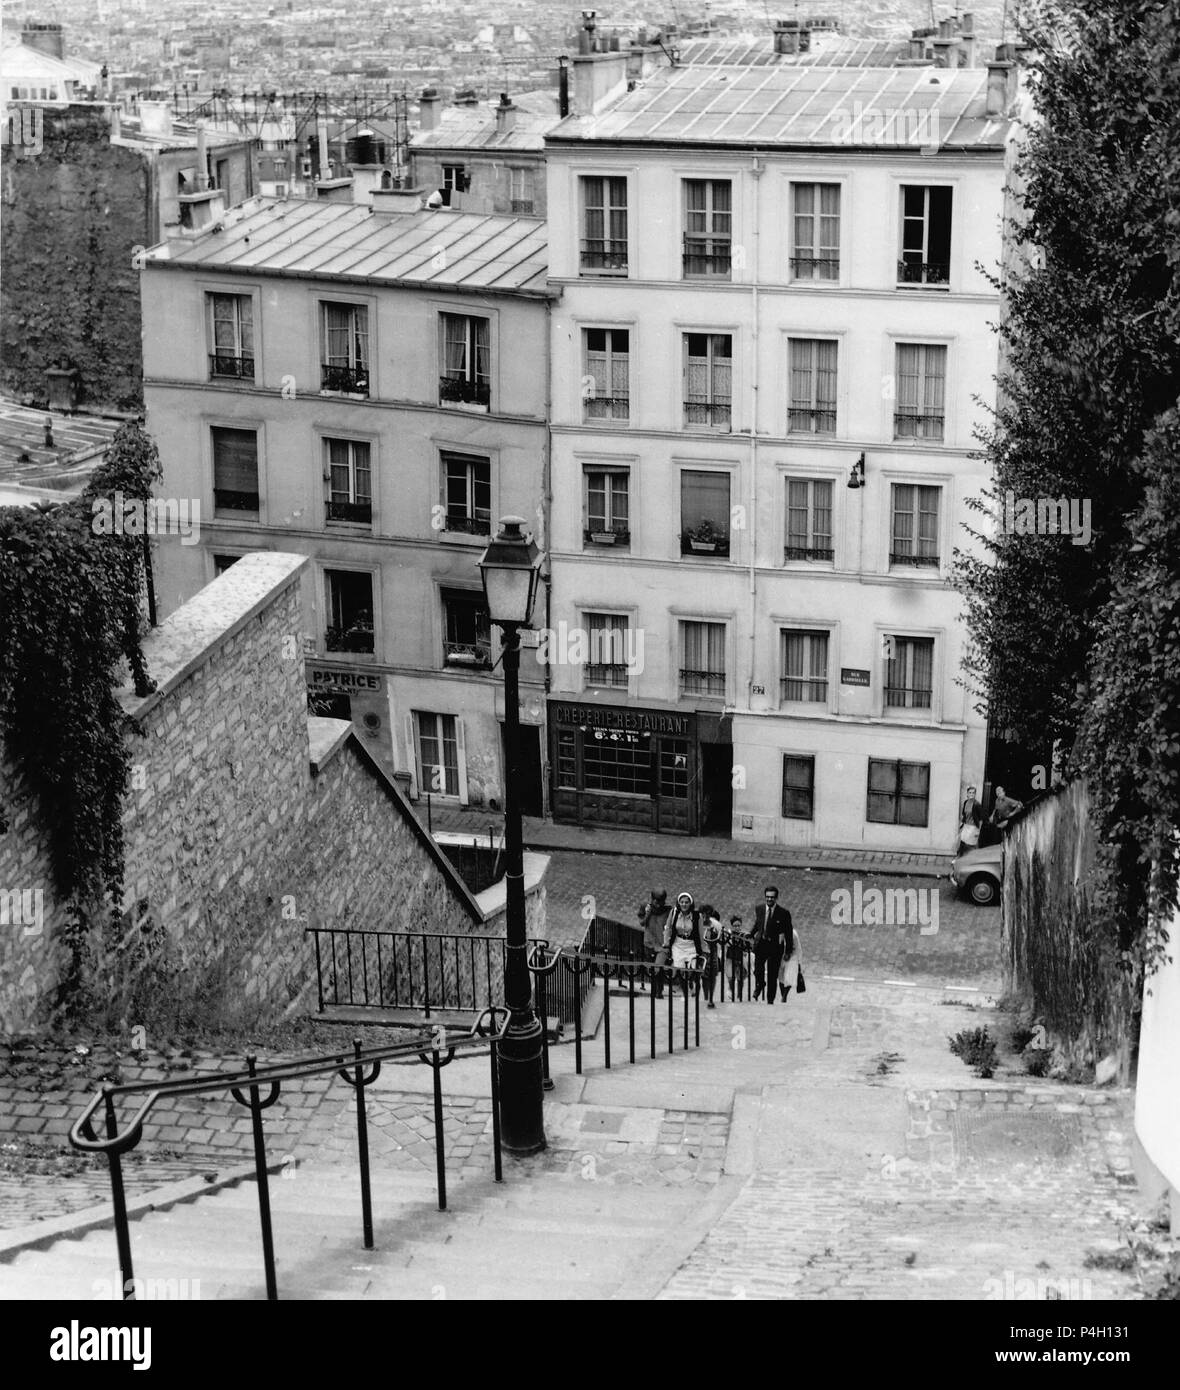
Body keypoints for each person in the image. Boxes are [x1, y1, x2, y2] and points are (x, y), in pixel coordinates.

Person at [751, 884, 793, 1003]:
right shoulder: (759, 909)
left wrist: (788, 951)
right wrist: (751, 933)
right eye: (767, 897)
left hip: (775, 947)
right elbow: (758, 924)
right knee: (758, 970)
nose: (769, 899)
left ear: (776, 898)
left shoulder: (783, 913)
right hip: (761, 945)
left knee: (772, 975)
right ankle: (760, 984)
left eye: (772, 897)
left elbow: (788, 933)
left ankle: (770, 1000)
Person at [663, 890, 704, 996]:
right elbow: (668, 928)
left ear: (690, 903)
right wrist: (666, 942)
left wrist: (703, 949)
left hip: (691, 944)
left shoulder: (697, 916)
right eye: (682, 902)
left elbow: (700, 933)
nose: (684, 904)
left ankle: (693, 983)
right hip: (678, 943)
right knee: (680, 968)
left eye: (686, 902)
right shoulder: (674, 913)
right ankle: (685, 992)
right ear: (678, 903)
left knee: (692, 967)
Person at [637, 888, 671, 998]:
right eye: (655, 901)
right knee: (652, 969)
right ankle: (656, 990)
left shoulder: (668, 910)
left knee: (658, 967)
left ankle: (658, 991)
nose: (657, 904)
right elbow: (642, 923)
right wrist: (648, 913)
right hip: (649, 943)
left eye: (660, 901)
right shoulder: (645, 907)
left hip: (662, 945)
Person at [699, 903, 723, 1008]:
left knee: (712, 974)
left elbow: (721, 938)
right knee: (704, 976)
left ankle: (711, 997)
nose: (705, 916)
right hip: (702, 951)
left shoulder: (715, 924)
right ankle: (705, 996)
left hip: (713, 952)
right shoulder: (698, 923)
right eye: (703, 914)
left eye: (708, 914)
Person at [777, 920, 804, 1004]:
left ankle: (784, 997)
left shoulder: (794, 935)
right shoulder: (779, 934)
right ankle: (783, 996)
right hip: (781, 956)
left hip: (793, 957)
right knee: (781, 977)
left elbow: (798, 948)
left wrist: (799, 962)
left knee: (789, 977)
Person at [725, 915, 750, 999]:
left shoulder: (744, 935)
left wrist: (745, 951)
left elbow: (747, 946)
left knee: (740, 978)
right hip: (730, 956)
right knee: (730, 976)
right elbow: (726, 944)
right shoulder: (729, 934)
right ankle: (730, 990)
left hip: (740, 958)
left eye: (738, 925)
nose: (737, 927)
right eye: (735, 926)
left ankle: (739, 994)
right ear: (732, 926)